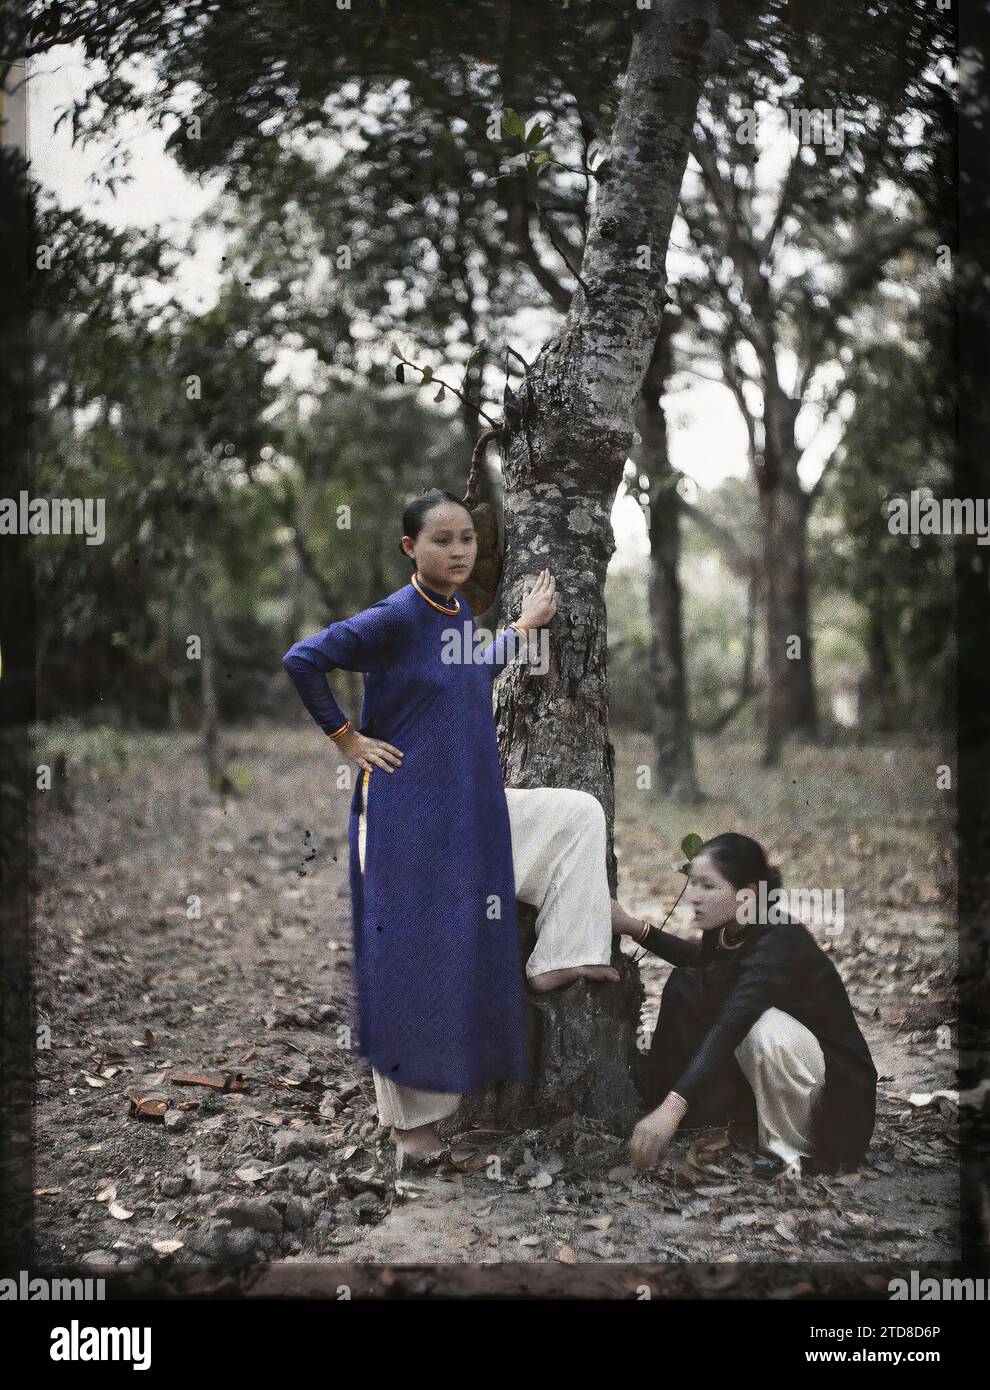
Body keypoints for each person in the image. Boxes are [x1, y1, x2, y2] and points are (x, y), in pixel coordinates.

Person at [282, 489, 619, 1167]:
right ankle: (414, 1135)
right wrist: (348, 740)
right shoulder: (394, 617)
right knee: (408, 964)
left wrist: (523, 628)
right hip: (406, 820)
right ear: (410, 548)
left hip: (469, 810)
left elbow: (470, 669)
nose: (458, 550)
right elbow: (303, 659)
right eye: (442, 540)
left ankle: (561, 956)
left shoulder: (456, 610)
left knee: (576, 815)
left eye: (466, 538)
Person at [612, 833, 877, 1178]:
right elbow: (705, 964)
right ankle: (685, 1106)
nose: (693, 896)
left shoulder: (778, 939)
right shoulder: (729, 926)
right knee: (687, 983)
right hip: (790, 1075)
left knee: (760, 1029)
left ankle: (795, 1152)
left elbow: (732, 1024)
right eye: (692, 883)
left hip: (835, 1104)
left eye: (708, 886)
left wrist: (672, 1109)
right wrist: (635, 928)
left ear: (748, 895)